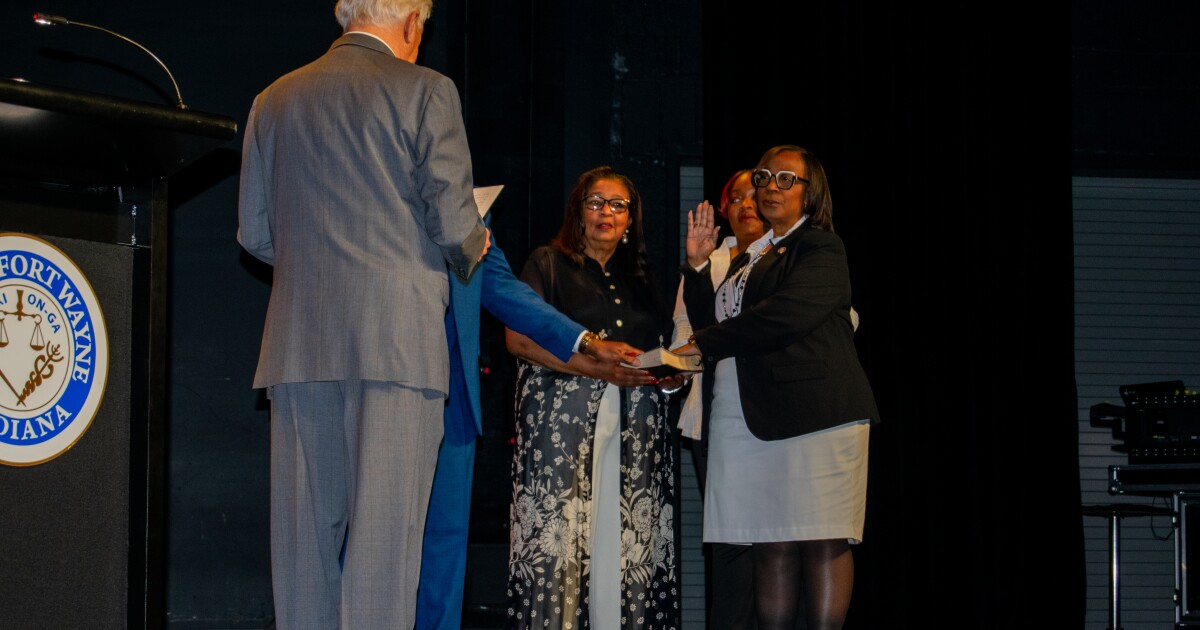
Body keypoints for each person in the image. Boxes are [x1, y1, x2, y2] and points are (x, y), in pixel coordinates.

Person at [237, 0, 490, 626]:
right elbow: (459, 230)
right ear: (410, 23)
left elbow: (255, 233)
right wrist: (475, 243)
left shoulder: (273, 98)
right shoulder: (428, 91)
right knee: (383, 548)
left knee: (302, 551)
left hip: (298, 347)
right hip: (397, 348)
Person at [673, 145, 879, 630]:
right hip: (753, 420)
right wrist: (700, 268)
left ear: (812, 194)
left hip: (816, 418)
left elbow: (782, 319)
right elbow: (715, 321)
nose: (770, 186)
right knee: (771, 541)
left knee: (823, 540)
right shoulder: (751, 255)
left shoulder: (822, 247)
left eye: (786, 178)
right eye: (765, 177)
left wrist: (698, 343)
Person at [417, 226, 643, 630]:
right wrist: (593, 358)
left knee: (445, 543)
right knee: (375, 532)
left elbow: (502, 288)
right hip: (389, 377)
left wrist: (587, 342)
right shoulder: (387, 191)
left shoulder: (471, 214)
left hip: (455, 395)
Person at [505, 166, 681, 629]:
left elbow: (665, 350)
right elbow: (518, 339)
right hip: (561, 434)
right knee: (561, 550)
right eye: (596, 202)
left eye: (618, 205)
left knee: (623, 549)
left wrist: (668, 378)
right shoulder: (547, 261)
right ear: (578, 212)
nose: (607, 212)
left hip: (636, 439)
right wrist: (598, 367)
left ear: (631, 220)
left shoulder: (641, 278)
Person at [668, 168, 764, 629]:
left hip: (777, 413)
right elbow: (686, 338)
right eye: (736, 197)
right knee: (730, 543)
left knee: (777, 542)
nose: (747, 204)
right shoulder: (709, 262)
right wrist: (665, 368)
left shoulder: (791, 254)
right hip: (714, 415)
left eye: (755, 195)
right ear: (723, 210)